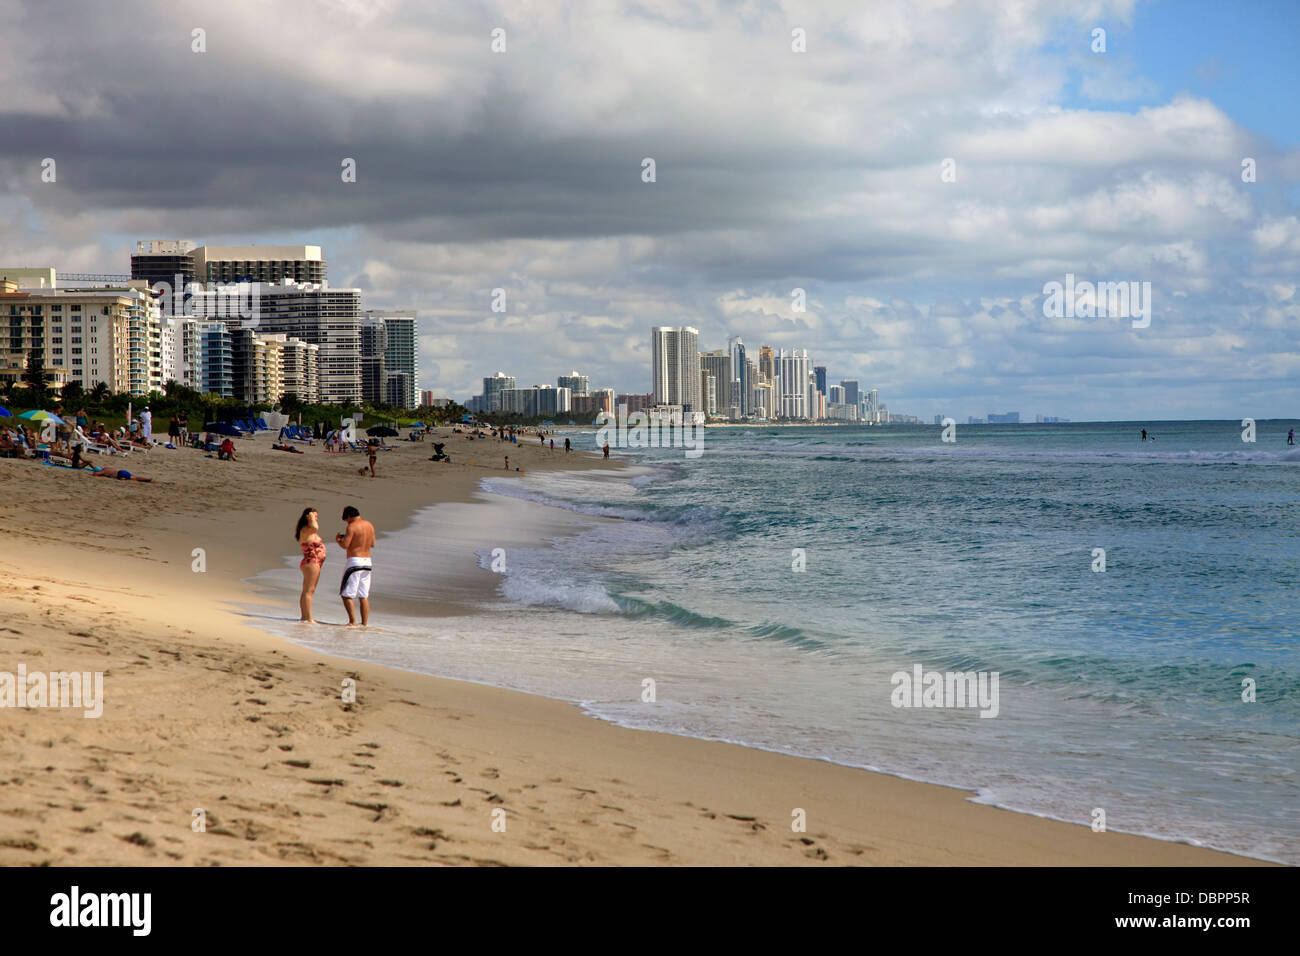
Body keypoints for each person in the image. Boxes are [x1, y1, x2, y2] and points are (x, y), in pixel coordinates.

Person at [335, 506, 375, 626]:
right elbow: (372, 543)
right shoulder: (369, 525)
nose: (346, 522)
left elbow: (345, 545)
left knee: (346, 594)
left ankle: (352, 622)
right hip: (367, 561)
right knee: (363, 595)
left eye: (346, 519)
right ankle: (364, 624)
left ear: (348, 516)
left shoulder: (351, 526)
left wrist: (338, 540)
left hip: (354, 562)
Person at [295, 507, 326, 623]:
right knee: (308, 590)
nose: (316, 519)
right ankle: (308, 618)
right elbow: (315, 527)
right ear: (308, 517)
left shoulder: (310, 530)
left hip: (315, 562)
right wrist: (312, 518)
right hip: (311, 562)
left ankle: (305, 617)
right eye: (314, 517)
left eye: (317, 517)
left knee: (309, 591)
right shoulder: (307, 529)